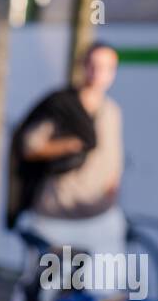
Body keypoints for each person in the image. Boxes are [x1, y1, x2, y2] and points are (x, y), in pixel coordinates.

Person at [7, 42, 126, 277]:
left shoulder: (112, 111)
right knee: (42, 291)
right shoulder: (61, 104)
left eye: (106, 67)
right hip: (55, 217)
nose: (98, 73)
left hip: (98, 217)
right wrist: (68, 145)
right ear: (83, 66)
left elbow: (113, 160)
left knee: (103, 290)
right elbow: (29, 147)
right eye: (93, 66)